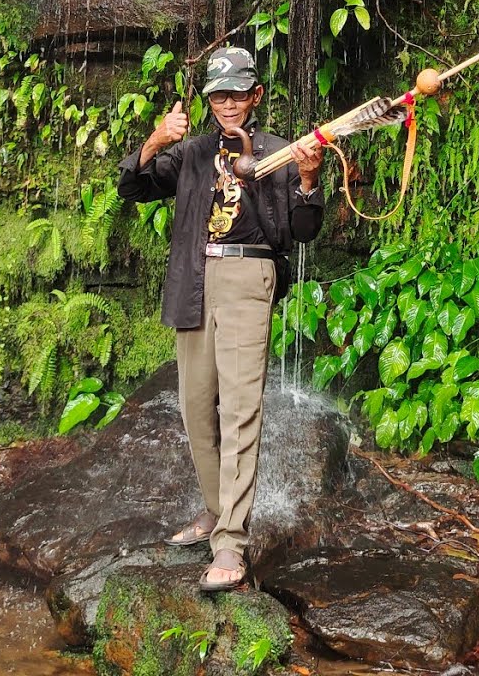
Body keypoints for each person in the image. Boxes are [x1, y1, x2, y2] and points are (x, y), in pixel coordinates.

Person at [117, 46, 325, 591]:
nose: (227, 103)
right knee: (195, 410)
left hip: (247, 280)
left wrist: (307, 179)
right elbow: (133, 187)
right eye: (218, 95)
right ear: (209, 101)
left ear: (255, 96)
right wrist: (157, 139)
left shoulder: (280, 153)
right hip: (193, 279)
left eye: (237, 93)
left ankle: (231, 543)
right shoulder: (190, 153)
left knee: (238, 412)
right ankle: (216, 508)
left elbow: (303, 232)